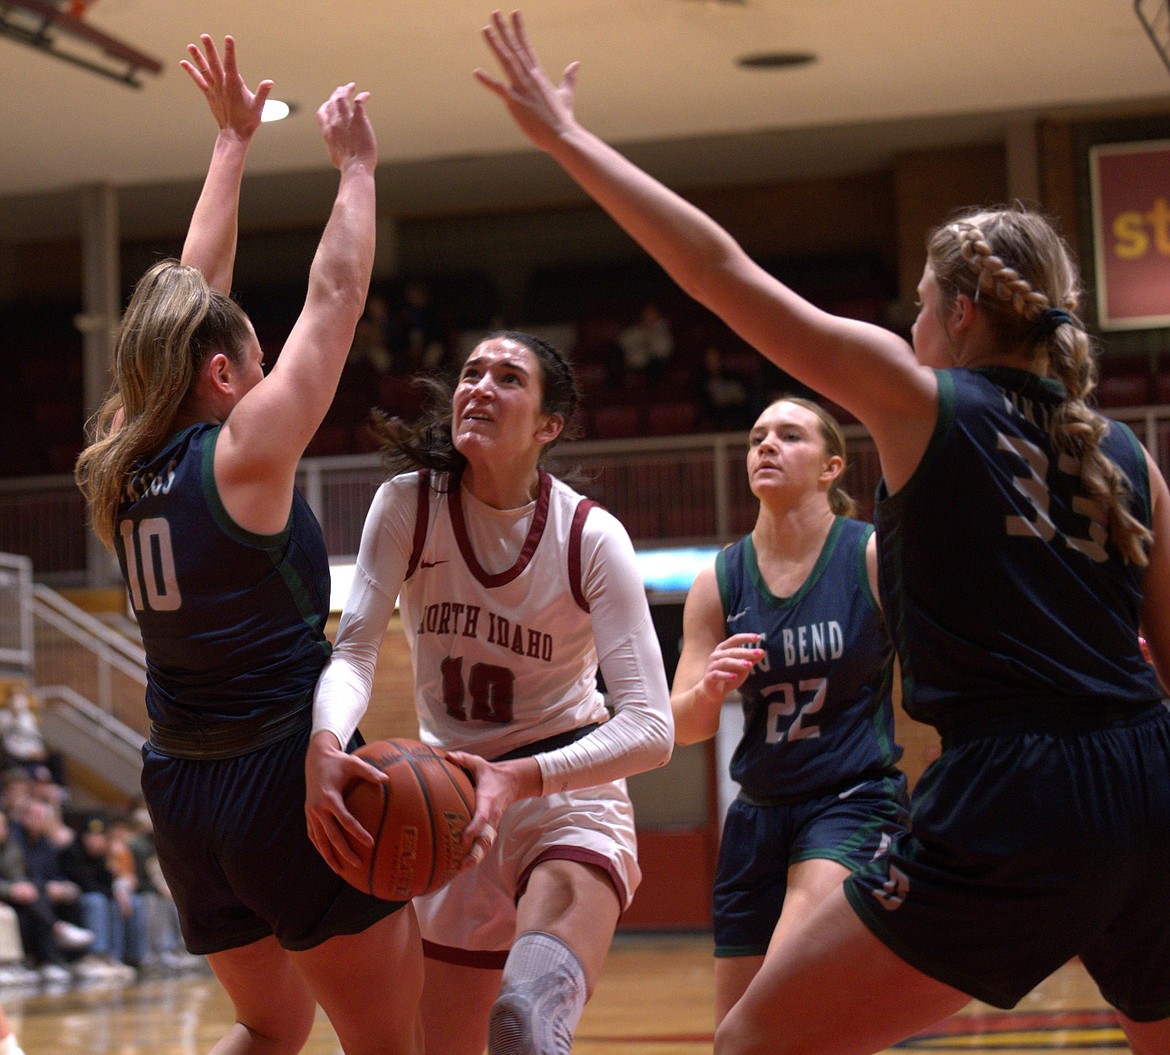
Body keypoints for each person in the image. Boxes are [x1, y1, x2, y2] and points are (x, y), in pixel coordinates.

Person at [477, 13, 1170, 1055]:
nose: (914, 327)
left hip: (1013, 792)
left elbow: (722, 274)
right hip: (1149, 781)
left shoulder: (921, 396)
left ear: (966, 315)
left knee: (754, 1044)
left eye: (924, 307)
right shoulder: (1131, 454)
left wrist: (573, 144)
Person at [74, 35, 425, 1055]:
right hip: (284, 777)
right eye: (252, 357)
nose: (269, 366)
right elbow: (336, 296)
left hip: (183, 790)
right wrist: (357, 172)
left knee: (268, 1029)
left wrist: (231, 144)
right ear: (225, 377)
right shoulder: (244, 451)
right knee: (386, 1039)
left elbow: (186, 305)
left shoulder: (122, 464)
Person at [307, 328, 674, 1055]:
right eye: (472, 371)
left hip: (564, 790)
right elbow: (353, 649)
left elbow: (651, 727)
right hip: (452, 810)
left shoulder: (590, 536)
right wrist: (325, 742)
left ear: (549, 425)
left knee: (525, 1019)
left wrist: (519, 778)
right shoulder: (407, 504)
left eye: (508, 377)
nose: (479, 386)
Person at [670, 396, 907, 1025]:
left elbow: (955, 656)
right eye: (756, 438)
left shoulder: (872, 556)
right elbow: (682, 725)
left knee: (773, 1006)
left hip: (851, 801)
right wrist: (708, 692)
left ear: (831, 467)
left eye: (789, 436)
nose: (766, 446)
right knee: (736, 1034)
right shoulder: (719, 579)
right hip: (756, 818)